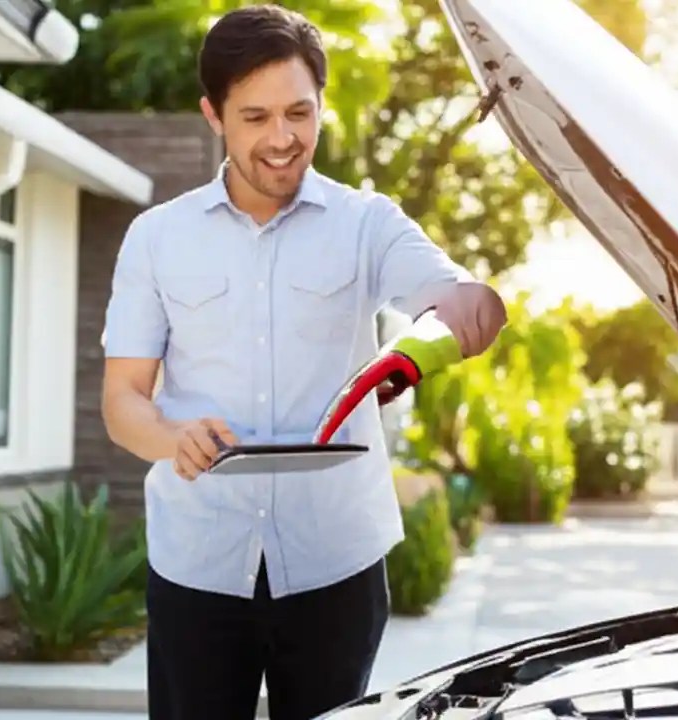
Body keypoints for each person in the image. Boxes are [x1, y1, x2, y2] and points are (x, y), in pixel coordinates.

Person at [100, 5, 507, 719]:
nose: (282, 139)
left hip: (336, 564)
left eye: (299, 112)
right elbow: (123, 402)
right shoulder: (156, 239)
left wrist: (465, 307)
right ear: (213, 116)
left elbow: (450, 294)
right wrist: (174, 441)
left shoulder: (368, 224)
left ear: (322, 106)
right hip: (199, 563)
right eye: (255, 117)